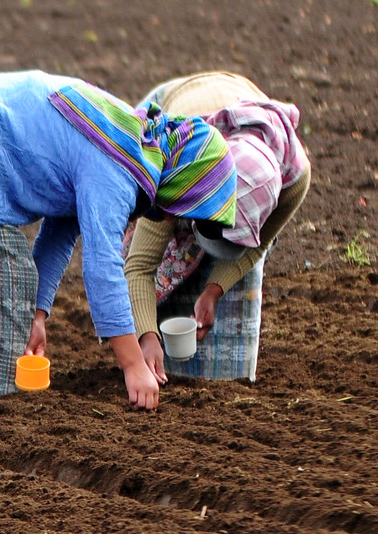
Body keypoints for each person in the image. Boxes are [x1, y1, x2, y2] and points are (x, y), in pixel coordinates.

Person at [0, 71, 234, 410]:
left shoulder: (128, 139)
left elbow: (60, 231)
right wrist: (133, 366)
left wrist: (38, 314)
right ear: (183, 182)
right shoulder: (118, 166)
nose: (176, 220)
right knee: (7, 275)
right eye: (187, 208)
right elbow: (102, 269)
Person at [125, 71, 311, 383]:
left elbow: (259, 244)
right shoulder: (174, 160)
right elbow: (140, 264)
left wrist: (213, 291)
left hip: (238, 98)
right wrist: (147, 336)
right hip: (175, 105)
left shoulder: (294, 177)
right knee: (143, 236)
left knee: (234, 286)